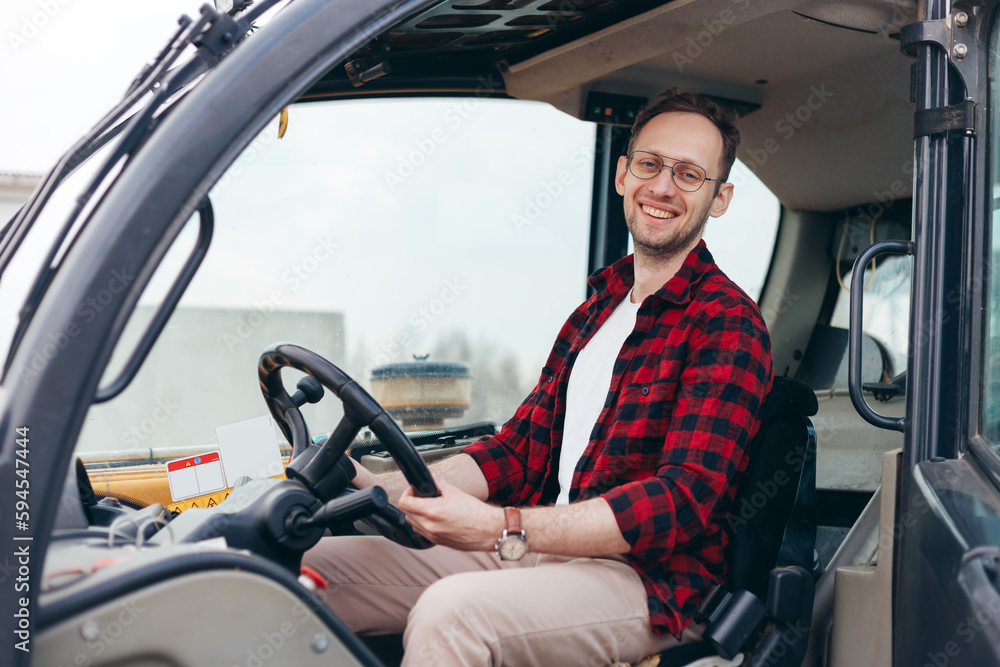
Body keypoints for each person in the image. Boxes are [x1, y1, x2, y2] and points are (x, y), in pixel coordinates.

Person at [303, 89, 773, 667]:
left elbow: (679, 501)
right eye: (650, 165)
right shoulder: (596, 310)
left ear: (719, 199)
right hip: (541, 553)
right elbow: (518, 451)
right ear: (624, 175)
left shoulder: (728, 325)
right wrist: (395, 488)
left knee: (455, 612)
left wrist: (502, 527)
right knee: (301, 569)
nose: (663, 187)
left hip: (645, 584)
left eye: (689, 174)